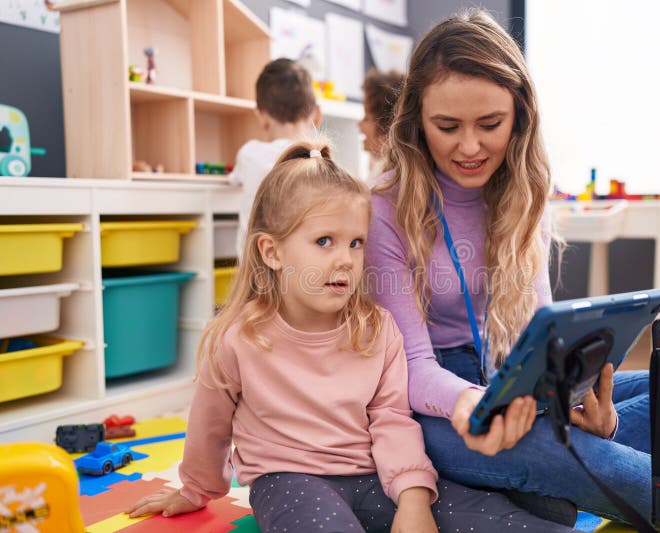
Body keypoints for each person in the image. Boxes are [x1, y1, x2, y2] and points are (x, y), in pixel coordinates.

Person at [366, 8, 660, 529]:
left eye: (490, 124)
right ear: (417, 119)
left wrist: (590, 410)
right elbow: (413, 368)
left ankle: (559, 477)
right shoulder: (385, 208)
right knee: (476, 442)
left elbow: (541, 329)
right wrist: (479, 407)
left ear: (519, 115)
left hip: (510, 379)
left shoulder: (524, 193)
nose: (470, 146)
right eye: (446, 126)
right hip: (432, 399)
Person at [125, 140, 580, 533]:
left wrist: (414, 498)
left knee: (523, 520)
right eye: (324, 241)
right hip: (287, 478)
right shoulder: (236, 339)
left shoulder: (377, 330)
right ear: (272, 251)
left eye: (355, 243)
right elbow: (209, 425)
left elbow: (392, 419)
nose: (345, 259)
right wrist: (196, 489)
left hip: (373, 476)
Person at [228, 58, 322, 253]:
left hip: (253, 274)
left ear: (261, 116)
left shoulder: (249, 153)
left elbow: (232, 181)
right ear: (317, 114)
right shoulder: (321, 160)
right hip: (302, 273)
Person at [359, 68, 405, 181]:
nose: (359, 125)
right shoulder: (379, 170)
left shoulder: (386, 181)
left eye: (366, 118)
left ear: (389, 125)